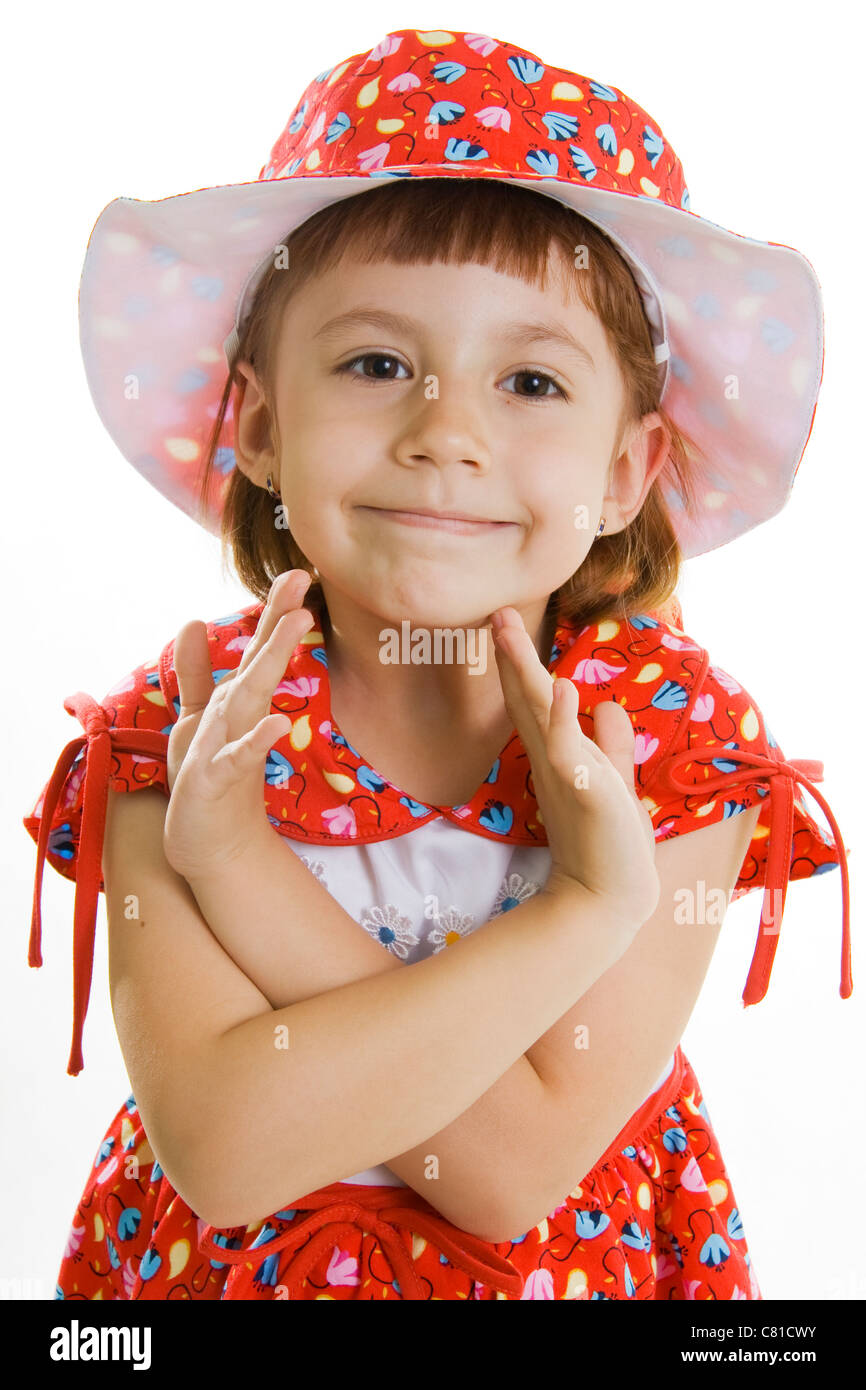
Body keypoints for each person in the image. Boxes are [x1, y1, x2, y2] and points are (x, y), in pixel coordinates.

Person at [23, 27, 851, 1301]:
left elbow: (515, 1169)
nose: (444, 432)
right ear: (257, 422)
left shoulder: (672, 742)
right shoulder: (177, 731)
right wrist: (583, 907)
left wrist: (238, 867)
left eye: (527, 380)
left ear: (626, 470)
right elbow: (229, 1150)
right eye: (374, 363)